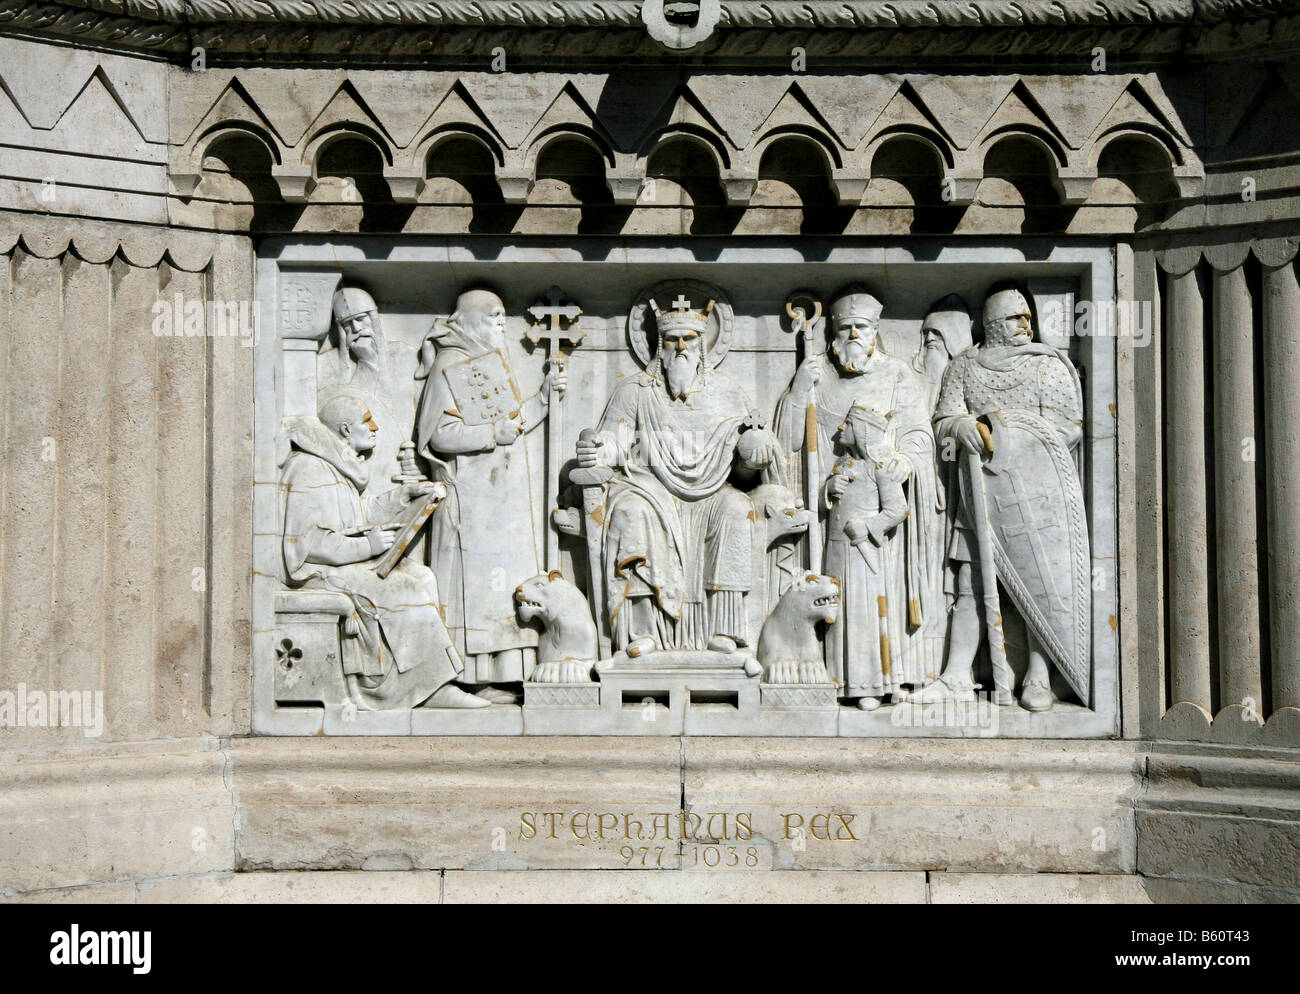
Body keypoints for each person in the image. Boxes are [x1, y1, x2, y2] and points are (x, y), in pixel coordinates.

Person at [576, 295, 782, 656]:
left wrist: (755, 454)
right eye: (673, 340)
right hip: (651, 491)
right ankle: (641, 629)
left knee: (736, 508)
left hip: (712, 496)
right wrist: (598, 449)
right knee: (628, 511)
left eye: (689, 339)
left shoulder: (727, 394)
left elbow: (743, 471)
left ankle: (725, 629)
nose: (681, 347)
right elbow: (615, 443)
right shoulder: (636, 391)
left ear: (703, 345)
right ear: (661, 346)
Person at [914, 287, 1087, 712]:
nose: (1026, 325)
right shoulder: (964, 367)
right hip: (980, 494)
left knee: (1036, 586)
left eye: (1028, 317)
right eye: (1016, 318)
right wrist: (960, 428)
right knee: (970, 585)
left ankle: (1040, 675)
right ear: (992, 324)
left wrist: (1010, 436)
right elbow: (943, 420)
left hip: (1035, 496)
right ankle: (957, 673)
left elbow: (1067, 429)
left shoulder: (1046, 367)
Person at [773, 285, 943, 689]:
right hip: (832, 503)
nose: (852, 335)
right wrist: (799, 390)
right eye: (845, 327)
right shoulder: (815, 372)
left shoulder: (896, 374)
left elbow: (919, 435)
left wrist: (902, 461)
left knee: (875, 601)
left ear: (874, 330)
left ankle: (884, 678)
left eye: (861, 327)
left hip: (880, 517)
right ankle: (839, 676)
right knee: (837, 597)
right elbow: (788, 444)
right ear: (832, 330)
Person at [279, 394, 487, 710]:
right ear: (346, 430)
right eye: (367, 421)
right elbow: (312, 544)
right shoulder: (310, 469)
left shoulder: (339, 467)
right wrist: (368, 546)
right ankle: (420, 690)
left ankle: (433, 681)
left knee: (423, 576)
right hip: (317, 572)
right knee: (403, 588)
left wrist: (405, 496)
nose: (375, 428)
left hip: (345, 563)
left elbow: (362, 513)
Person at [414, 288, 564, 702]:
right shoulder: (451, 362)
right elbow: (439, 435)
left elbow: (510, 427)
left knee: (503, 590)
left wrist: (542, 399)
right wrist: (489, 435)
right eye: (494, 315)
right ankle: (468, 677)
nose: (502, 323)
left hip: (501, 504)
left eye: (503, 316)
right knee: (473, 592)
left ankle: (506, 674)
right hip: (470, 503)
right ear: (471, 319)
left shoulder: (489, 363)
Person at [822, 404, 909, 709]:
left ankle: (870, 685)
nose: (841, 430)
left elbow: (897, 510)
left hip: (864, 554)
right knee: (838, 615)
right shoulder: (844, 467)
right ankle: (839, 680)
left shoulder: (880, 467)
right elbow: (828, 504)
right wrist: (828, 490)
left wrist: (868, 526)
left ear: (861, 430)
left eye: (847, 424)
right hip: (835, 551)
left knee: (864, 618)